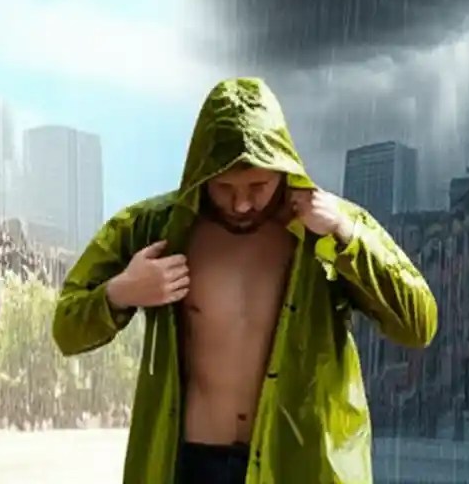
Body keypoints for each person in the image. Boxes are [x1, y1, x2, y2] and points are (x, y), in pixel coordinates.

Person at [52, 77, 438, 484]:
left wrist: (345, 235)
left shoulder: (329, 224)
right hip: (193, 465)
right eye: (224, 187)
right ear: (201, 174)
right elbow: (67, 328)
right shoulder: (151, 228)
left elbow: (418, 324)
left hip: (299, 465)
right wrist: (121, 293)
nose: (241, 203)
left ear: (283, 168)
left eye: (258, 186)